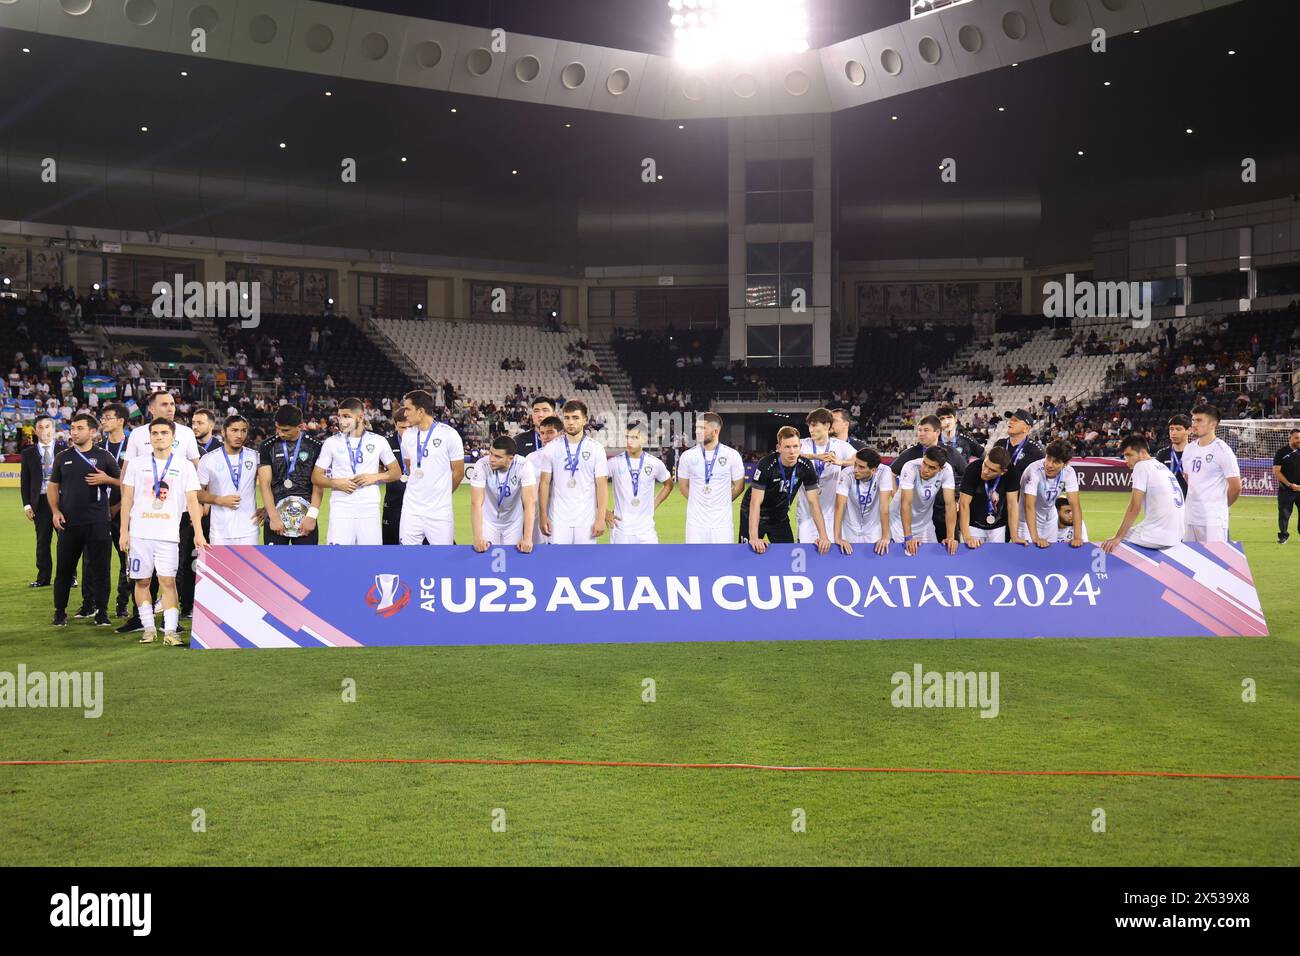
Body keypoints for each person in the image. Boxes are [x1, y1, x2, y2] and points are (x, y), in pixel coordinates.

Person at [119, 418, 208, 645]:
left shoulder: (185, 465)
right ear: (150, 437)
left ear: (173, 437)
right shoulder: (137, 464)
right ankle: (149, 628)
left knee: (168, 582)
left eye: (164, 433)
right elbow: (127, 499)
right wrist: (123, 532)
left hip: (168, 535)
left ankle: (170, 632)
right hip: (140, 534)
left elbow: (192, 501)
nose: (159, 437)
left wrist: (199, 533)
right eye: (155, 433)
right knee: (141, 582)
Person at [47, 413, 120, 627]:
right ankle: (60, 612)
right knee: (64, 570)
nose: (74, 432)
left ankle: (102, 613)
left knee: (101, 569)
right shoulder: (63, 457)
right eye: (73, 428)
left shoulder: (105, 456)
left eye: (79, 428)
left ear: (92, 432)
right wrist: (55, 511)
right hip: (69, 523)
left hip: (98, 522)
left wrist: (106, 479)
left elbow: (123, 484)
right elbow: (53, 486)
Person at [312, 398, 400, 545]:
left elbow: (396, 472)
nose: (341, 421)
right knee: (339, 558)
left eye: (347, 417)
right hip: (341, 508)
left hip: (369, 508)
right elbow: (316, 477)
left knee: (370, 559)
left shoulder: (378, 441)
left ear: (360, 417)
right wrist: (337, 483)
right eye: (339, 416)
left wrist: (374, 477)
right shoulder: (331, 443)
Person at [741, 426, 830, 554]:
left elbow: (814, 503)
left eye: (795, 446)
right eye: (787, 447)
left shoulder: (805, 466)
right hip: (753, 513)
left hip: (779, 516)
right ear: (779, 448)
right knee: (748, 553)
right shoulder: (766, 465)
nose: (792, 451)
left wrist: (823, 536)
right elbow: (755, 502)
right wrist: (754, 538)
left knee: (788, 555)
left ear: (800, 446)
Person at [536, 400, 608, 545]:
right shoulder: (551, 448)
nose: (570, 422)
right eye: (567, 418)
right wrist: (543, 516)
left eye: (575, 418)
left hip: (586, 520)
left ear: (585, 420)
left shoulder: (596, 449)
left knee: (584, 564)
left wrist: (600, 519)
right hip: (557, 519)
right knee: (558, 564)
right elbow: (544, 484)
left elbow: (601, 486)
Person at [398, 389, 465, 545]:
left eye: (408, 409)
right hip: (411, 510)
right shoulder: (407, 435)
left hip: (439, 512)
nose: (405, 414)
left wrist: (442, 494)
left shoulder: (449, 435)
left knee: (442, 560)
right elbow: (410, 468)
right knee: (407, 558)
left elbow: (459, 473)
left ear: (420, 411)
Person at [1102, 435, 1185, 552]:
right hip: (1178, 535)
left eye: (1129, 455)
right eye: (1125, 456)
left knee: (1116, 540)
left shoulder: (1141, 466)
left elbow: (1134, 508)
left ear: (1142, 453)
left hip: (1159, 536)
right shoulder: (1162, 466)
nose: (1126, 460)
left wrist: (1118, 537)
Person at [890, 415, 965, 541]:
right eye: (919, 430)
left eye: (925, 430)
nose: (921, 434)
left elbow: (966, 476)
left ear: (937, 432)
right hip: (910, 514)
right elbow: (891, 474)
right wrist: (897, 494)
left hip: (938, 513)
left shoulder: (950, 455)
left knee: (946, 548)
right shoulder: (910, 457)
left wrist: (958, 500)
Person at [258, 405, 324, 546]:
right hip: (276, 518)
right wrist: (273, 516)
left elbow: (318, 485)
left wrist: (311, 516)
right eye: (277, 428)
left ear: (300, 426)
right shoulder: (267, 446)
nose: (280, 433)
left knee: (305, 565)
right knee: (273, 564)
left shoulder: (315, 447)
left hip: (306, 517)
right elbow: (264, 484)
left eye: (285, 430)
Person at [675, 412, 745, 543]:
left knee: (722, 561)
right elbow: (683, 486)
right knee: (695, 561)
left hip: (722, 524)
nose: (697, 431)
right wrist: (699, 501)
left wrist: (722, 501)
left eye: (702, 428)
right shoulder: (687, 456)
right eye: (697, 428)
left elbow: (739, 486)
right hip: (695, 524)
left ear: (715, 431)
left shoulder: (732, 455)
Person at [196, 415, 263, 546]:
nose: (239, 435)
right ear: (223, 432)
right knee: (221, 567)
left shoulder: (255, 457)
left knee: (249, 567)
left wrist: (267, 508)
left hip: (249, 531)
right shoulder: (209, 459)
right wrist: (219, 500)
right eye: (234, 430)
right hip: (220, 532)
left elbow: (271, 484)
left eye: (243, 430)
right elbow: (197, 493)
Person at [1181, 404, 1241, 543]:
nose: (1194, 424)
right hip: (1190, 517)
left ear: (1213, 424)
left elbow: (1236, 486)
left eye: (1199, 420)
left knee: (1214, 562)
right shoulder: (1189, 449)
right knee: (1190, 561)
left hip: (1213, 520)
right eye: (1193, 420)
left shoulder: (1222, 450)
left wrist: (1220, 507)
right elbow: (1188, 478)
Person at [606, 422, 673, 544]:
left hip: (646, 532)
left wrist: (654, 504)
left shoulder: (654, 463)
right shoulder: (614, 463)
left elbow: (668, 484)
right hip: (620, 531)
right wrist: (604, 511)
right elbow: (594, 484)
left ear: (644, 439)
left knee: (650, 563)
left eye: (634, 437)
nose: (629, 442)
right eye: (626, 437)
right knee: (620, 563)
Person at [797, 408, 856, 545]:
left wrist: (841, 462)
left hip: (830, 516)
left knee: (829, 554)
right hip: (806, 515)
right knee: (808, 555)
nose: (811, 429)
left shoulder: (840, 446)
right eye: (809, 425)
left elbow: (858, 459)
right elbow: (786, 454)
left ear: (827, 426)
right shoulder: (803, 444)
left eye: (814, 425)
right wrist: (815, 456)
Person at [469, 435, 536, 552]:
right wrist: (478, 537)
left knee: (514, 560)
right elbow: (476, 503)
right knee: (486, 557)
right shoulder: (481, 465)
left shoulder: (524, 466)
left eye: (498, 456)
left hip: (514, 522)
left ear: (510, 458)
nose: (491, 459)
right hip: (488, 521)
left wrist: (527, 538)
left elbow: (529, 503)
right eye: (491, 453)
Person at [98, 403, 133, 618]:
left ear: (120, 421)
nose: (104, 421)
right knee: (96, 561)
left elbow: (134, 484)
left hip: (123, 513)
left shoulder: (133, 447)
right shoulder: (98, 448)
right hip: (100, 513)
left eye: (108, 417)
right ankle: (95, 605)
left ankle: (122, 604)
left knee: (125, 561)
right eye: (103, 418)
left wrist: (118, 507)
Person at [890, 446, 958, 555]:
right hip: (899, 524)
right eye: (924, 463)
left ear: (941, 469)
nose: (925, 470)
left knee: (933, 561)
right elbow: (906, 503)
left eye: (931, 467)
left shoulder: (947, 470)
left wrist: (950, 537)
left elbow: (950, 505)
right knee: (902, 561)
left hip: (925, 524)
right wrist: (908, 537)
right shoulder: (910, 467)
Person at [20, 414, 61, 588]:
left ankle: (70, 576)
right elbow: (25, 481)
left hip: (62, 502)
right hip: (41, 503)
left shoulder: (64, 450)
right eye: (41, 427)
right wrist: (27, 505)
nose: (44, 431)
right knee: (42, 541)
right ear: (35, 431)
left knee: (67, 542)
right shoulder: (28, 453)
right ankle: (43, 578)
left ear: (53, 429)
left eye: (47, 427)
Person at [1018, 441, 1084, 548]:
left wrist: (1077, 536)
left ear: (1065, 464)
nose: (1049, 465)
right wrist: (1035, 538)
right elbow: (1029, 506)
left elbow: (1075, 505)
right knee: (1029, 559)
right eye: (1048, 458)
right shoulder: (1033, 470)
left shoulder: (1069, 472)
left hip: (1050, 521)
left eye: (1056, 462)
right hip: (1026, 522)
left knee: (1050, 559)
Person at [996, 409, 1046, 546]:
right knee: (998, 546)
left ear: (1026, 428)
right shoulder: (1000, 444)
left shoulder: (1036, 451)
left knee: (1024, 545)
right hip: (998, 504)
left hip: (1023, 506)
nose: (1010, 422)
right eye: (1010, 419)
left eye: (1015, 420)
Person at [834, 447, 893, 555]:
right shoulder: (846, 473)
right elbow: (839, 506)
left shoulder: (884, 472)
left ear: (873, 470)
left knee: (873, 563)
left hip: (873, 527)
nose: (856, 469)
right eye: (855, 464)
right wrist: (838, 538)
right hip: (850, 526)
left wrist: (885, 537)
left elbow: (884, 506)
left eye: (861, 467)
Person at [958, 446, 1013, 547]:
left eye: (992, 470)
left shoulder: (1011, 474)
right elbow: (963, 504)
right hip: (973, 525)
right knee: (971, 558)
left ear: (1003, 472)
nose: (985, 471)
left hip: (998, 526)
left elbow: (1012, 505)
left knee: (995, 560)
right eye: (985, 465)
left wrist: (1015, 535)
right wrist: (967, 537)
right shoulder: (973, 468)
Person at [381, 407, 410, 545]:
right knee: (390, 543)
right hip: (394, 500)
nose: (406, 431)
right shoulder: (386, 443)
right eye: (402, 427)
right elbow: (377, 469)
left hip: (417, 500)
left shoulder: (422, 443)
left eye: (410, 427)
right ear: (395, 425)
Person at [936, 405, 984, 470]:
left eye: (949, 417)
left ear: (955, 419)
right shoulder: (934, 441)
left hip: (962, 479)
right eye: (942, 419)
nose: (946, 422)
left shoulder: (967, 439)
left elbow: (984, 456)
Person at [1274, 428, 1300, 543]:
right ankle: (1283, 536)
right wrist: (1290, 485)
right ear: (1290, 438)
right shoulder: (1281, 452)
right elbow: (1277, 471)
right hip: (1286, 490)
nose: (1299, 440)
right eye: (1297, 438)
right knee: (1284, 514)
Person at [1155, 414, 1191, 497]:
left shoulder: (1195, 454)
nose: (1173, 433)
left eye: (1178, 429)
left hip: (1191, 504)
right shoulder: (1162, 454)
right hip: (1169, 504)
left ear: (1189, 430)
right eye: (1171, 429)